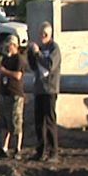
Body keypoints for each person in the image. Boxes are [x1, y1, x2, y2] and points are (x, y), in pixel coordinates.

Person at [26, 21, 62, 162]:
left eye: (45, 34)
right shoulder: (40, 47)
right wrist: (31, 53)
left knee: (50, 121)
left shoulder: (54, 48)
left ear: (49, 34)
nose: (42, 36)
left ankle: (53, 152)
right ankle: (40, 151)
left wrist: (38, 53)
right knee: (39, 122)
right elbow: (33, 67)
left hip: (50, 89)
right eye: (41, 33)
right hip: (39, 89)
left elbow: (50, 65)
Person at [0, 35, 27, 160]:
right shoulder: (5, 59)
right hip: (4, 93)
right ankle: (4, 148)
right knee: (3, 122)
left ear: (15, 46)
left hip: (15, 95)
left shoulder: (19, 59)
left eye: (9, 46)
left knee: (15, 121)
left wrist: (5, 72)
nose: (7, 48)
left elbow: (18, 75)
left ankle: (18, 149)